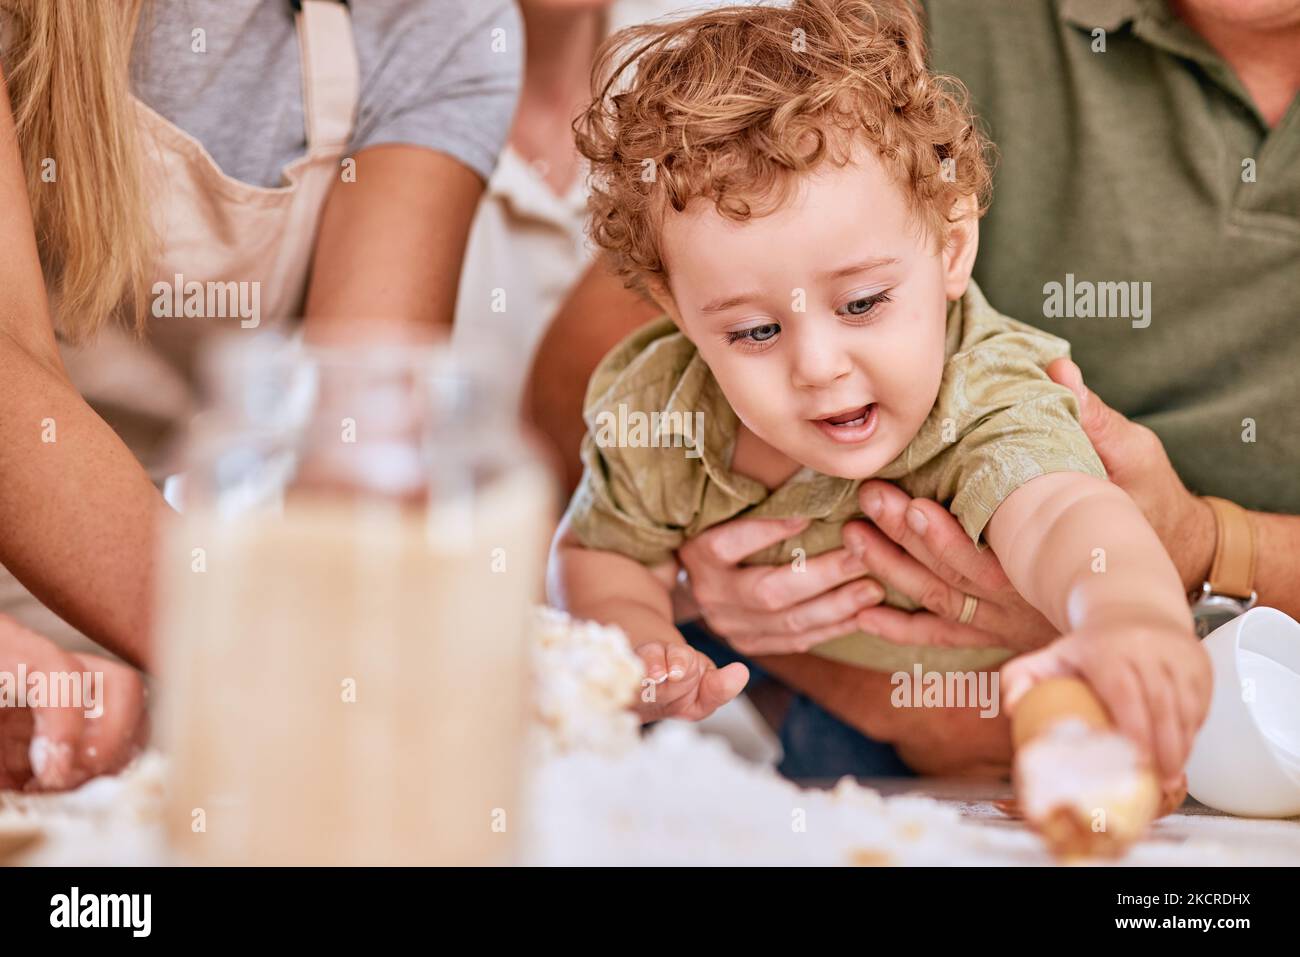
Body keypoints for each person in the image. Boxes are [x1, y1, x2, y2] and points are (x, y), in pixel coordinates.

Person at [526, 0, 1300, 776]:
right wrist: (639, 642)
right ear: (676, 311)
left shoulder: (984, 387)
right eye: (756, 331)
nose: (819, 366)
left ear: (953, 245)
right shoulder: (665, 409)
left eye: (862, 304)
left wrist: (1127, 613)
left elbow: (1067, 510)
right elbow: (598, 546)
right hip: (793, 708)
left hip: (1011, 712)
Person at [0, 0, 521, 670]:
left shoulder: (444, 20)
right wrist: (259, 652)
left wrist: (294, 664)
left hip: (243, 602)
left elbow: (351, 427)